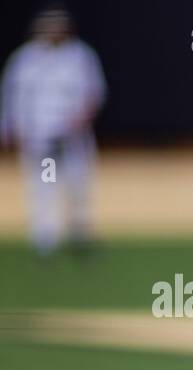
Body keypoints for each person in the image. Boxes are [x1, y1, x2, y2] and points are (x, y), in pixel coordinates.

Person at [0, 5, 107, 255]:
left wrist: (76, 123)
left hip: (72, 139)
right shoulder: (26, 60)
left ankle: (79, 234)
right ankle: (45, 238)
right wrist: (11, 131)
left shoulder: (80, 57)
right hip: (41, 140)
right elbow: (13, 98)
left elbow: (94, 94)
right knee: (44, 185)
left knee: (78, 184)